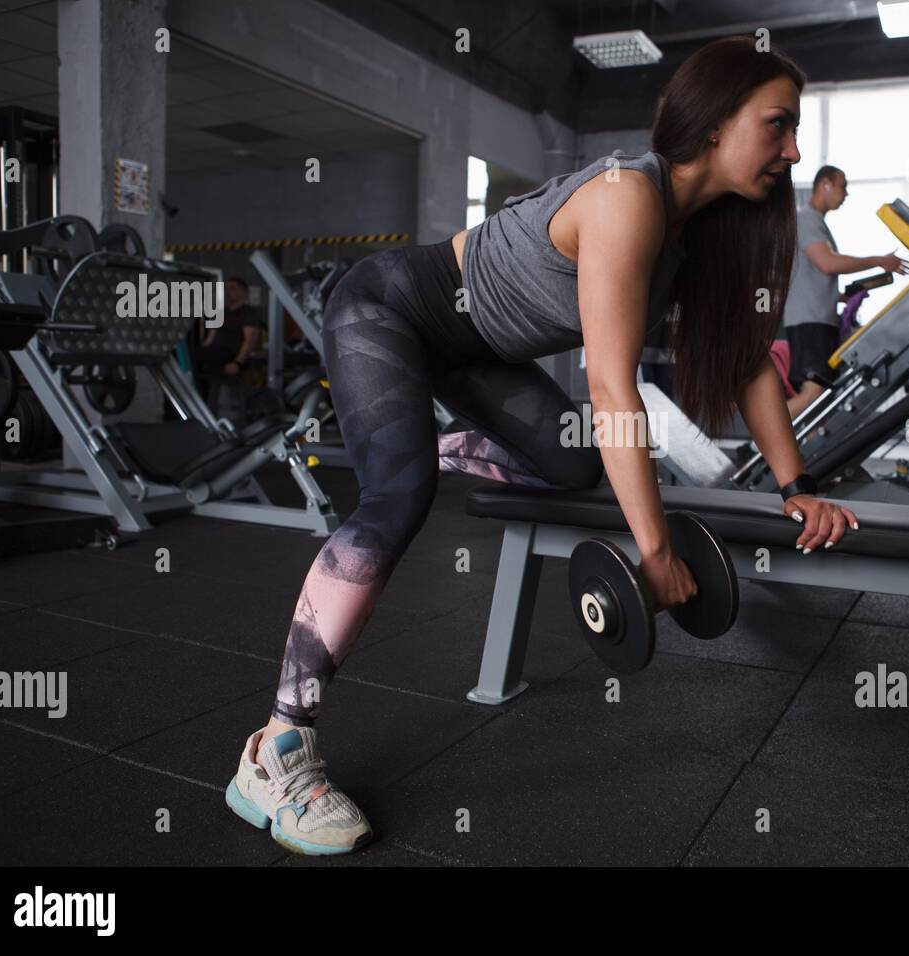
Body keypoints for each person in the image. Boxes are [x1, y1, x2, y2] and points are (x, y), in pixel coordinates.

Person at [225, 36, 861, 856]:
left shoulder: (705, 237)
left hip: (479, 354)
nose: (795, 150)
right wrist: (654, 547)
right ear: (713, 121)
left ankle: (431, 445)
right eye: (777, 124)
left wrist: (796, 484)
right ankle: (277, 750)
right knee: (397, 499)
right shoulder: (627, 196)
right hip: (392, 307)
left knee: (568, 465)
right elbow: (610, 388)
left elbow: (746, 367)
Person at [783, 165, 909, 418]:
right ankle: (757, 445)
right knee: (813, 394)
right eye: (843, 186)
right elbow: (827, 264)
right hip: (810, 323)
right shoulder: (807, 219)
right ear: (824, 185)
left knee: (820, 400)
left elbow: (812, 274)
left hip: (819, 320)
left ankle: (805, 455)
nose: (846, 194)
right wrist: (877, 260)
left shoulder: (816, 223)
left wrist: (839, 296)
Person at [192, 276, 262, 399]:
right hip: (216, 356)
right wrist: (201, 354)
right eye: (226, 288)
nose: (228, 291)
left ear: (243, 292)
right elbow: (210, 339)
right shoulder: (220, 313)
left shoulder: (249, 313)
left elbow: (249, 340)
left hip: (232, 356)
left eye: (232, 288)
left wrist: (237, 363)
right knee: (191, 356)